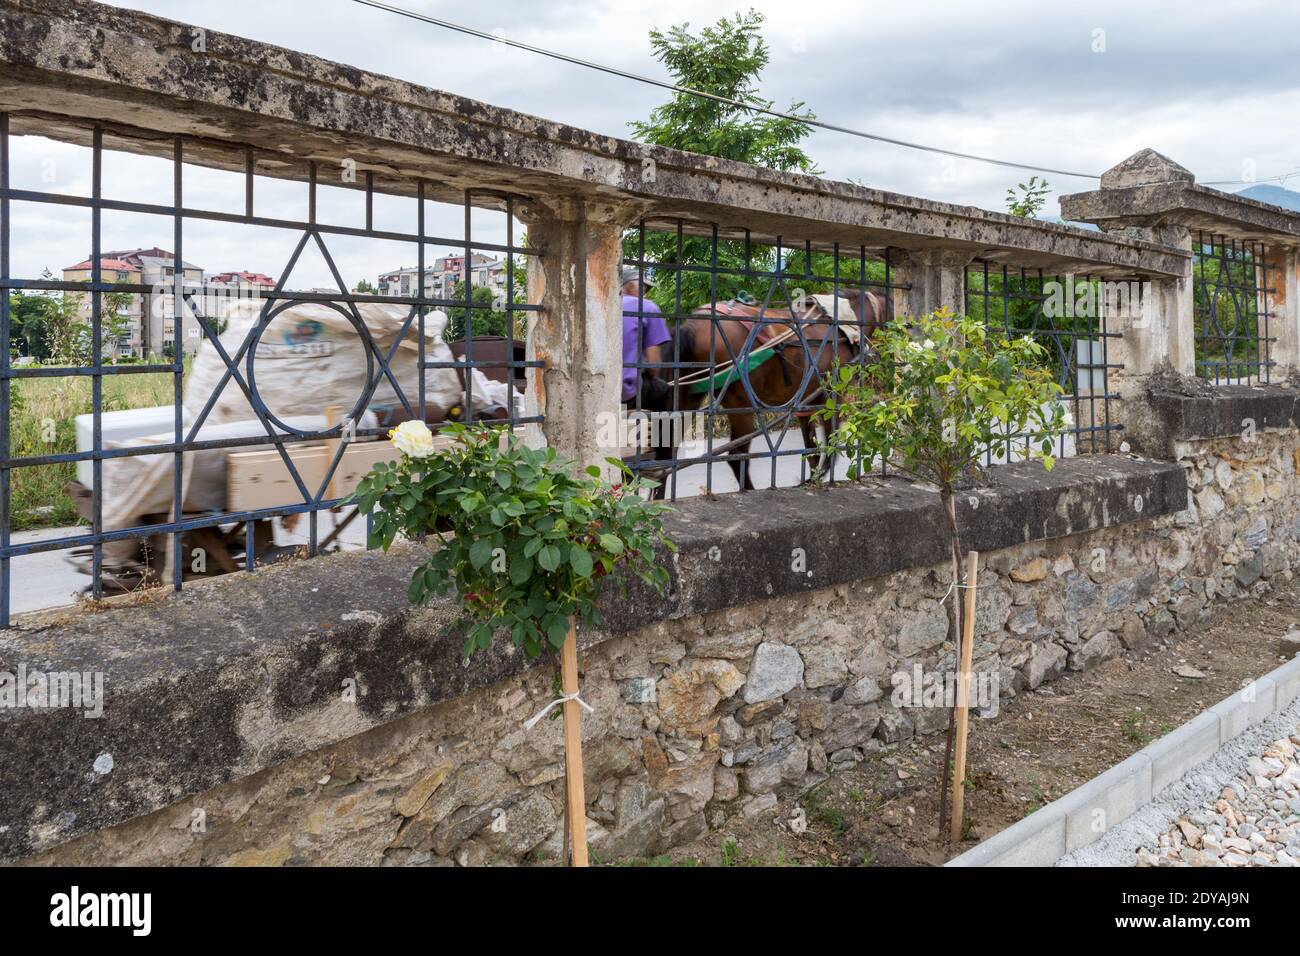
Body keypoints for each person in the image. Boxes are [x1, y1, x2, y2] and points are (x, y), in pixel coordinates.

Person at [621, 267, 672, 411]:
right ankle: (659, 434)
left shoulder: (605, 304)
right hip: (628, 391)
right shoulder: (648, 308)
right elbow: (654, 364)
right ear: (630, 287)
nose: (645, 295)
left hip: (600, 386)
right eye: (643, 289)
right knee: (662, 390)